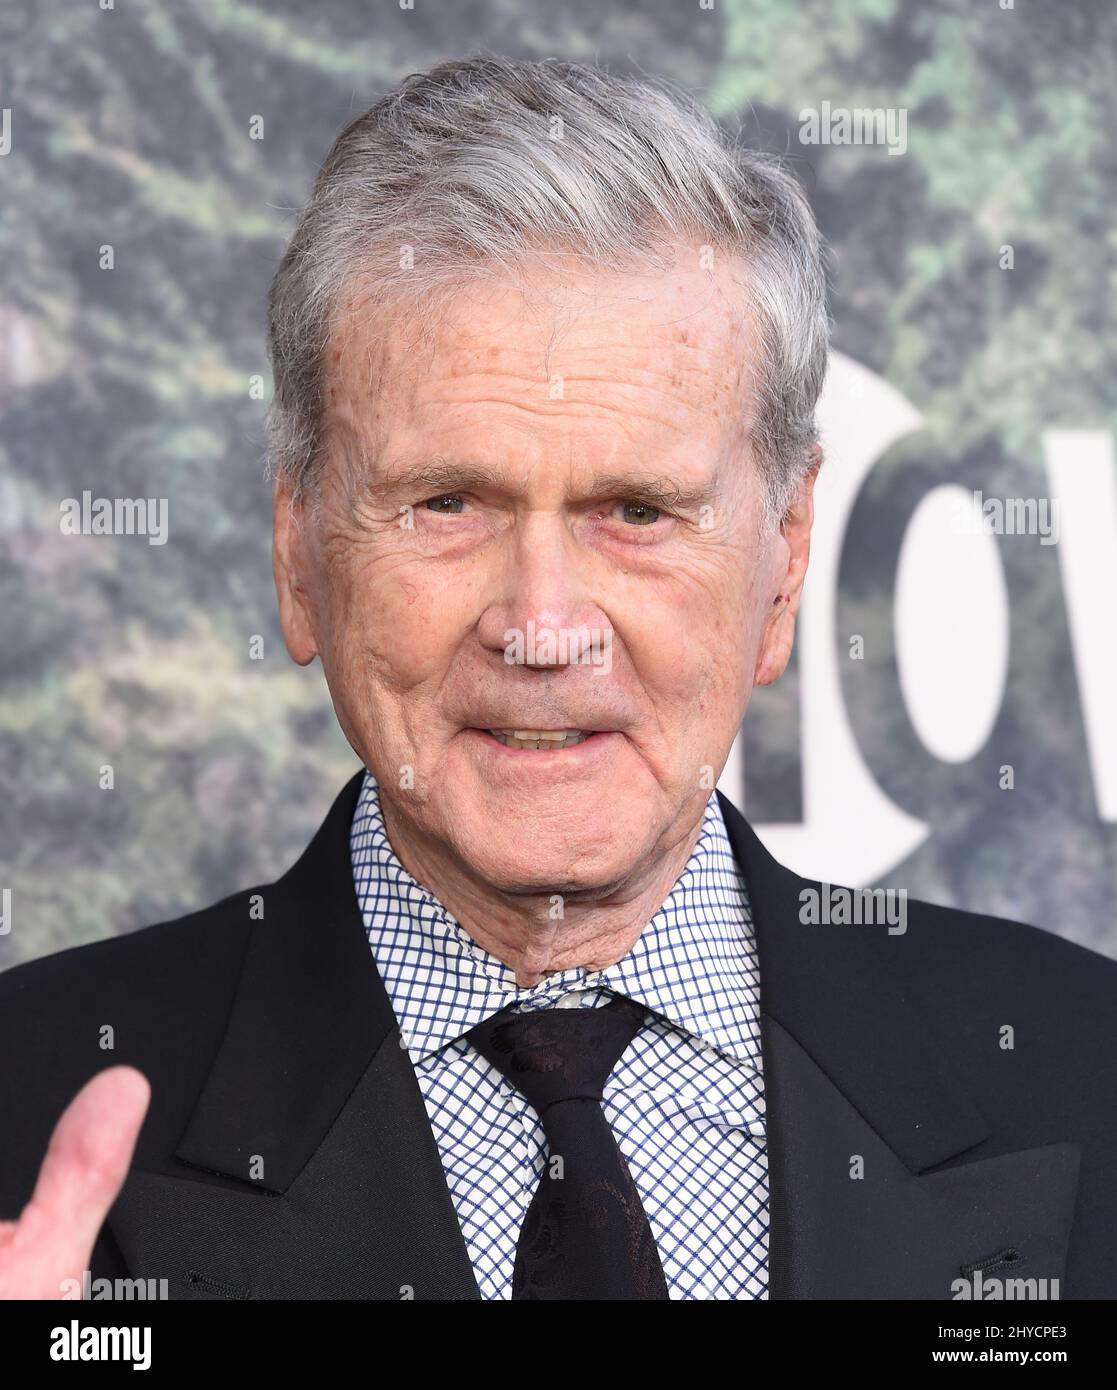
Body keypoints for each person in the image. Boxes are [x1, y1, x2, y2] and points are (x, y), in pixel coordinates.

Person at [1, 55, 1114, 1301]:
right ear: (298, 553)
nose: (541, 627)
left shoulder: (1087, 1072)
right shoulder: (22, 1113)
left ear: (785, 559)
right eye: (446, 502)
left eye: (635, 509)